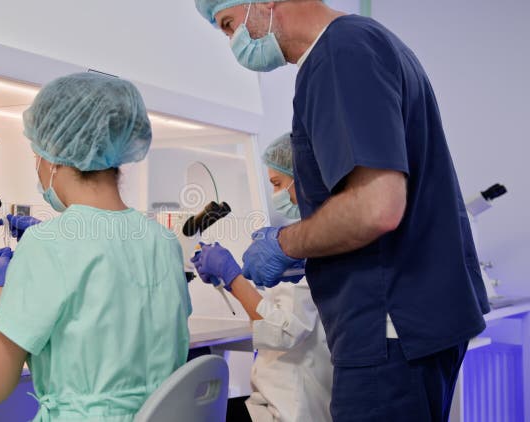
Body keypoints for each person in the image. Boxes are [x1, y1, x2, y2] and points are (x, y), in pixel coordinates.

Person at [193, 1, 490, 420]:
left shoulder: (339, 53)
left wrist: (285, 243)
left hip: (387, 327)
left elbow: (376, 207)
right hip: (407, 322)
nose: (232, 42)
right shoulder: (365, 44)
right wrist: (306, 254)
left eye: (228, 24)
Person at [0, 72, 192, 421]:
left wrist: (3, 287)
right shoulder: (163, 242)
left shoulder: (47, 244)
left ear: (54, 157)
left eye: (36, 155)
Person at [192, 133, 332, 422]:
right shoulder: (306, 237)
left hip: (294, 407)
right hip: (278, 398)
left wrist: (231, 276)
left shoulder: (313, 243)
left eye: (278, 184)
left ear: (303, 179)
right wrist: (228, 278)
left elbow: (283, 331)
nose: (276, 194)